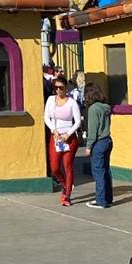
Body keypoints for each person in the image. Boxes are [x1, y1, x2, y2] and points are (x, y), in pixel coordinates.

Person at [43, 75, 82, 206]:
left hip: (69, 138)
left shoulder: (72, 103)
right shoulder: (50, 100)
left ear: (66, 88)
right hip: (56, 138)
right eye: (56, 88)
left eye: (61, 88)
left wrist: (68, 134)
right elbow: (46, 117)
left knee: (68, 166)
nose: (58, 90)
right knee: (54, 168)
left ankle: (67, 196)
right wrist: (54, 130)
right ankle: (65, 184)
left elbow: (77, 122)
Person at [83, 82, 112, 209]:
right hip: (107, 140)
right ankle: (108, 198)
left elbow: (93, 130)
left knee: (98, 172)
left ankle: (101, 200)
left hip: (98, 143)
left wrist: (88, 147)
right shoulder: (106, 107)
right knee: (106, 170)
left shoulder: (93, 109)